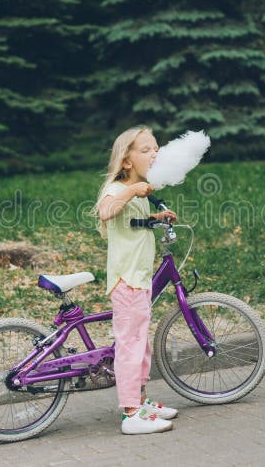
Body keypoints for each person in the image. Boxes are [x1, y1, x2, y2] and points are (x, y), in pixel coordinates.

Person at [93, 126, 180, 435]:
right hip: (126, 281)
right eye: (145, 150)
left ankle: (141, 402)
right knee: (130, 346)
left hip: (138, 280)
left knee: (140, 345)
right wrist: (131, 191)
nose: (154, 154)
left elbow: (132, 223)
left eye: (156, 148)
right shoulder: (117, 188)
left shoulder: (140, 190)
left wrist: (157, 217)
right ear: (126, 161)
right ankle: (131, 414)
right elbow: (106, 212)